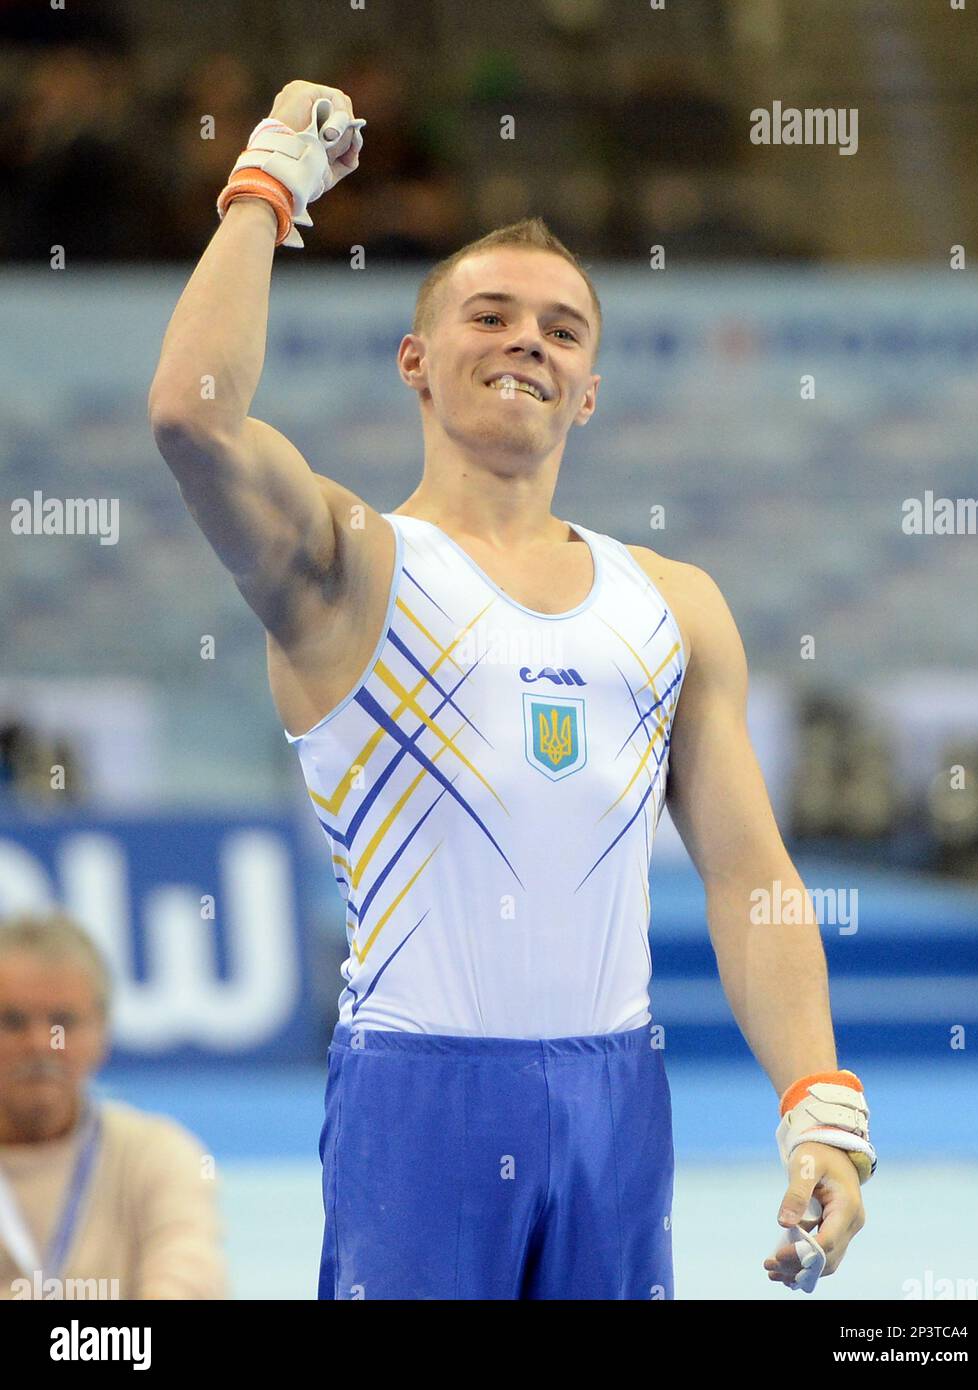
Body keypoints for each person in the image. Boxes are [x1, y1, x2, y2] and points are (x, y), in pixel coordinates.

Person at [148, 80, 876, 1300]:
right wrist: (268, 186)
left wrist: (820, 1106)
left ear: (588, 391)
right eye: (489, 315)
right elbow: (192, 418)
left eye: (563, 328)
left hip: (618, 1101)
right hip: (417, 1095)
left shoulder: (674, 605)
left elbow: (752, 876)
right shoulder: (345, 564)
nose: (528, 339)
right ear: (415, 362)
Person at [0, 912, 228, 1300]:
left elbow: (191, 1281)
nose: (41, 1043)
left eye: (63, 1021)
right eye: (12, 1021)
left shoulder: (158, 1156)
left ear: (101, 1030)